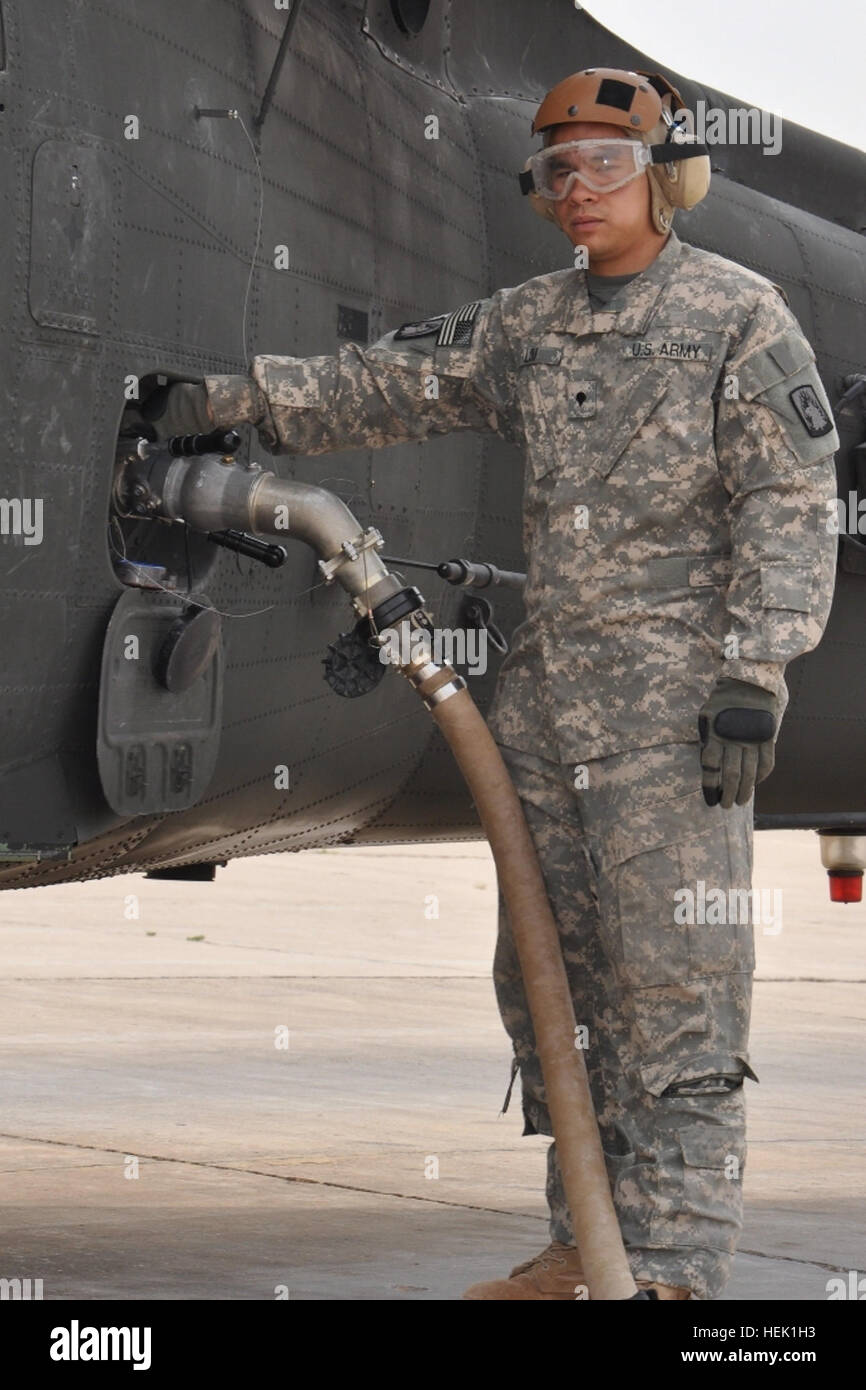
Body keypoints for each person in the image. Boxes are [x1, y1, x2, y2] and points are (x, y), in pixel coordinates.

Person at [150, 68, 839, 1300]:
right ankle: (586, 1239)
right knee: (546, 982)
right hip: (545, 713)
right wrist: (230, 401)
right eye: (556, 173)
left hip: (672, 723)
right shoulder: (531, 323)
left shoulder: (737, 318)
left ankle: (673, 1269)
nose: (578, 193)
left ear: (666, 178)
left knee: (672, 991)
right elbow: (393, 384)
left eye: (606, 168)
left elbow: (788, 505)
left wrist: (753, 672)